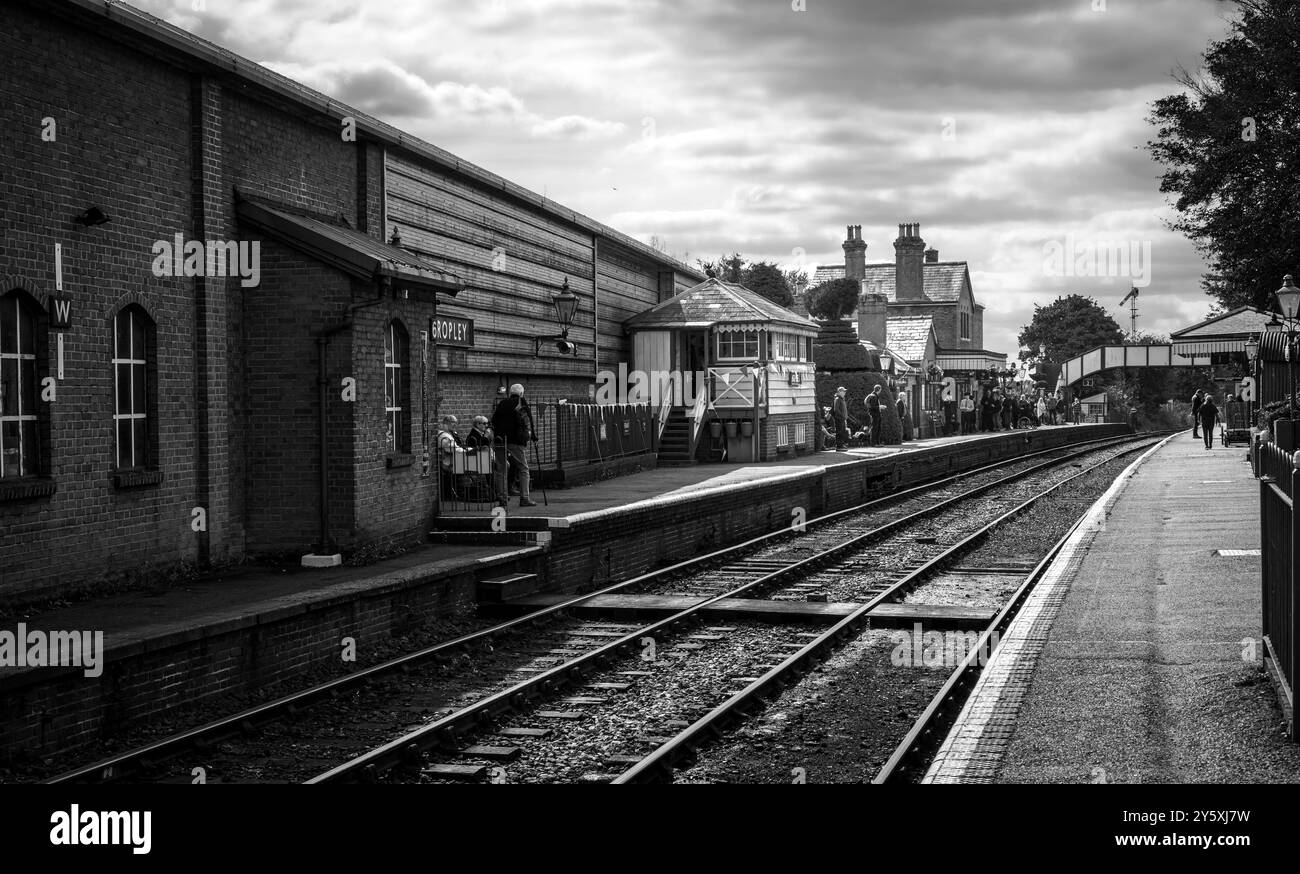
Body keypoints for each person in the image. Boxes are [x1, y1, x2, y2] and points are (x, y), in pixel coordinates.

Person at [491, 383, 537, 507]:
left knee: (501, 469)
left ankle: (502, 498)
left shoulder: (502, 403)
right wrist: (533, 436)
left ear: (510, 393)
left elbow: (493, 421)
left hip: (500, 440)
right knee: (523, 468)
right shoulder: (521, 402)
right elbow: (528, 421)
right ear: (521, 393)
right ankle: (524, 498)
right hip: (516, 440)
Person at [832, 387, 850, 451]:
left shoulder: (842, 399)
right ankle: (839, 446)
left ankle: (841, 445)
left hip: (842, 419)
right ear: (839, 392)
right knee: (839, 432)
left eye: (845, 391)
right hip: (839, 419)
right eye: (843, 391)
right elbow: (836, 409)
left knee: (842, 432)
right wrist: (842, 416)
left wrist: (845, 417)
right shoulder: (837, 399)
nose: (845, 392)